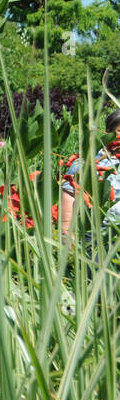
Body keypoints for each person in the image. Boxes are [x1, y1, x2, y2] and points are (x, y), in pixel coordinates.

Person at [59, 110, 120, 276]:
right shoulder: (85, 163)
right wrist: (68, 241)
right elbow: (68, 204)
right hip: (96, 238)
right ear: (108, 133)